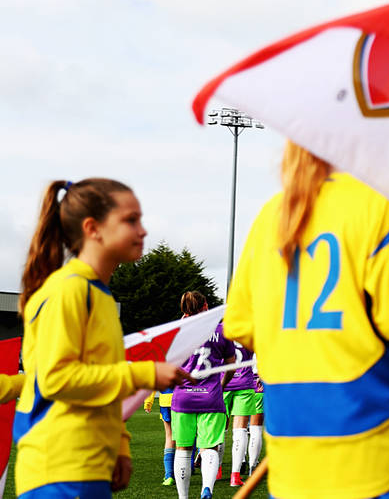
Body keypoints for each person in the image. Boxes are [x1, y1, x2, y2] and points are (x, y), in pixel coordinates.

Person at [223, 142, 389, 499]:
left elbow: (239, 325)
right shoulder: (379, 206)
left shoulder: (272, 214)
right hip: (371, 443)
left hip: (290, 444)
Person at [14, 178, 188, 498]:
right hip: (59, 469)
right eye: (131, 220)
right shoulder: (69, 289)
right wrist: (145, 373)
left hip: (88, 465)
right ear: (93, 228)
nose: (143, 231)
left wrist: (119, 445)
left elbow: (99, 379)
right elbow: (56, 379)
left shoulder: (101, 294)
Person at [171, 292, 235, 499]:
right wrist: (222, 385)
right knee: (209, 448)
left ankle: (183, 497)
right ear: (206, 305)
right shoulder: (222, 330)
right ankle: (207, 488)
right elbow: (231, 365)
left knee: (183, 449)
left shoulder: (177, 331)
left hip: (183, 398)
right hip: (211, 396)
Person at [222, 339, 258, 487]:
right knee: (240, 430)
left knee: (219, 429)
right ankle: (235, 477)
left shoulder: (218, 330)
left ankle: (216, 471)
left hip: (223, 382)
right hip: (244, 382)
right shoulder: (249, 331)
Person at [143, 386, 176, 485]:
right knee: (185, 437)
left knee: (169, 436)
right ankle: (187, 468)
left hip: (165, 401)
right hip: (182, 399)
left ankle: (169, 475)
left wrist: (148, 402)